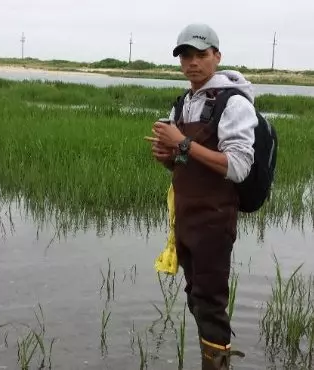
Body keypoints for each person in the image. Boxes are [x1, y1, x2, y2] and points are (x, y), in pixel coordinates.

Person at [146, 23, 258, 369]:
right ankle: (213, 360)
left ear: (217, 56)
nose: (192, 62)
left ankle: (217, 363)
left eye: (201, 54)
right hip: (186, 217)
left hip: (213, 218)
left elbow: (239, 167)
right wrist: (170, 160)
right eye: (185, 55)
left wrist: (181, 143)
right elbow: (189, 164)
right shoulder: (184, 103)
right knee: (196, 297)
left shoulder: (233, 103)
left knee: (210, 301)